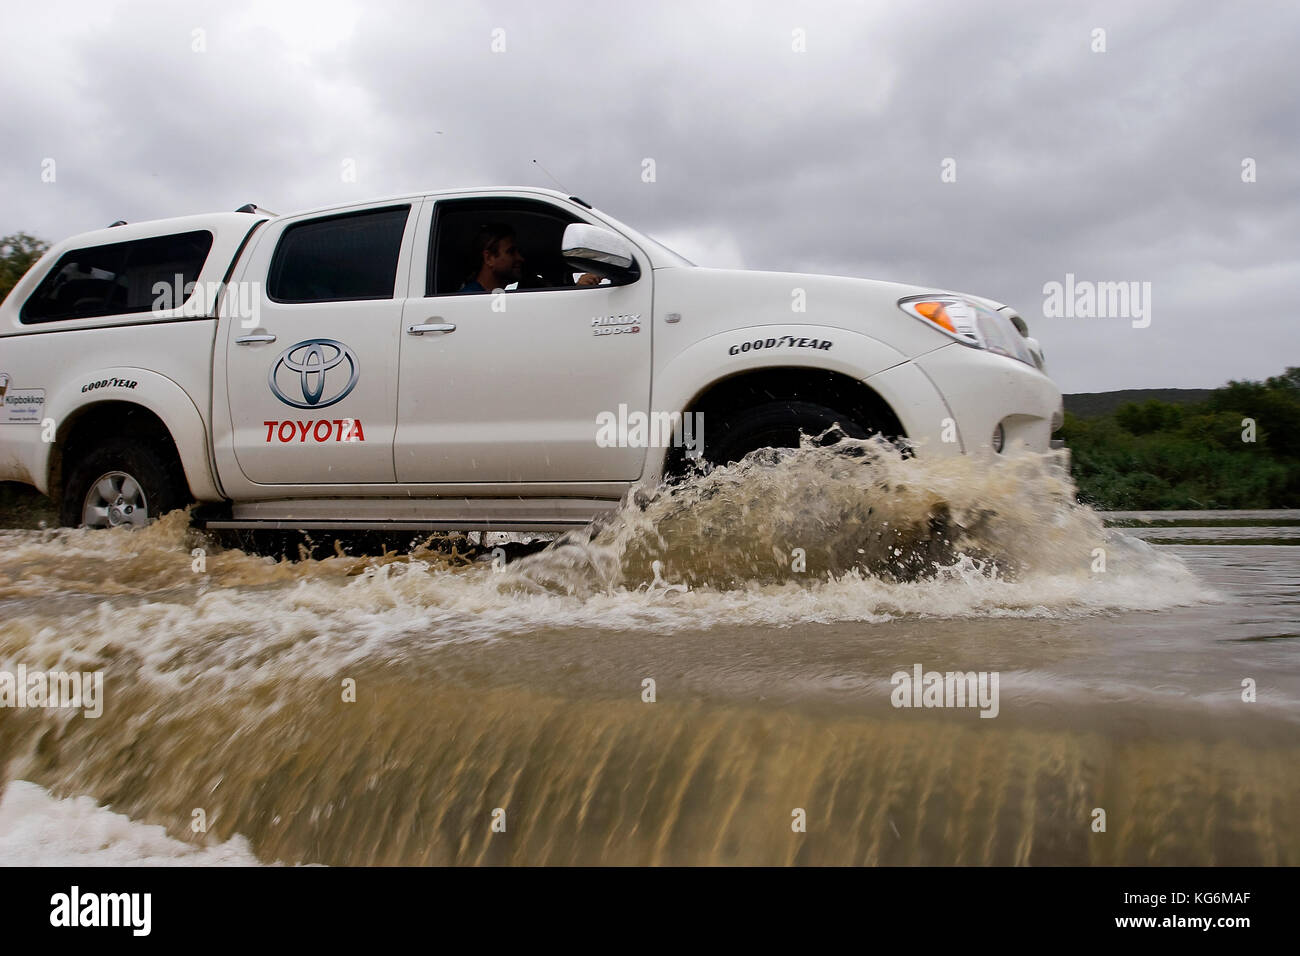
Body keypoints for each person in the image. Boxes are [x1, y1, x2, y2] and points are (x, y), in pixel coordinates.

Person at [458, 222, 601, 293]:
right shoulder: (469, 299)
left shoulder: (497, 298)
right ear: (489, 258)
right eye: (511, 252)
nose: (521, 258)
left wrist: (578, 290)